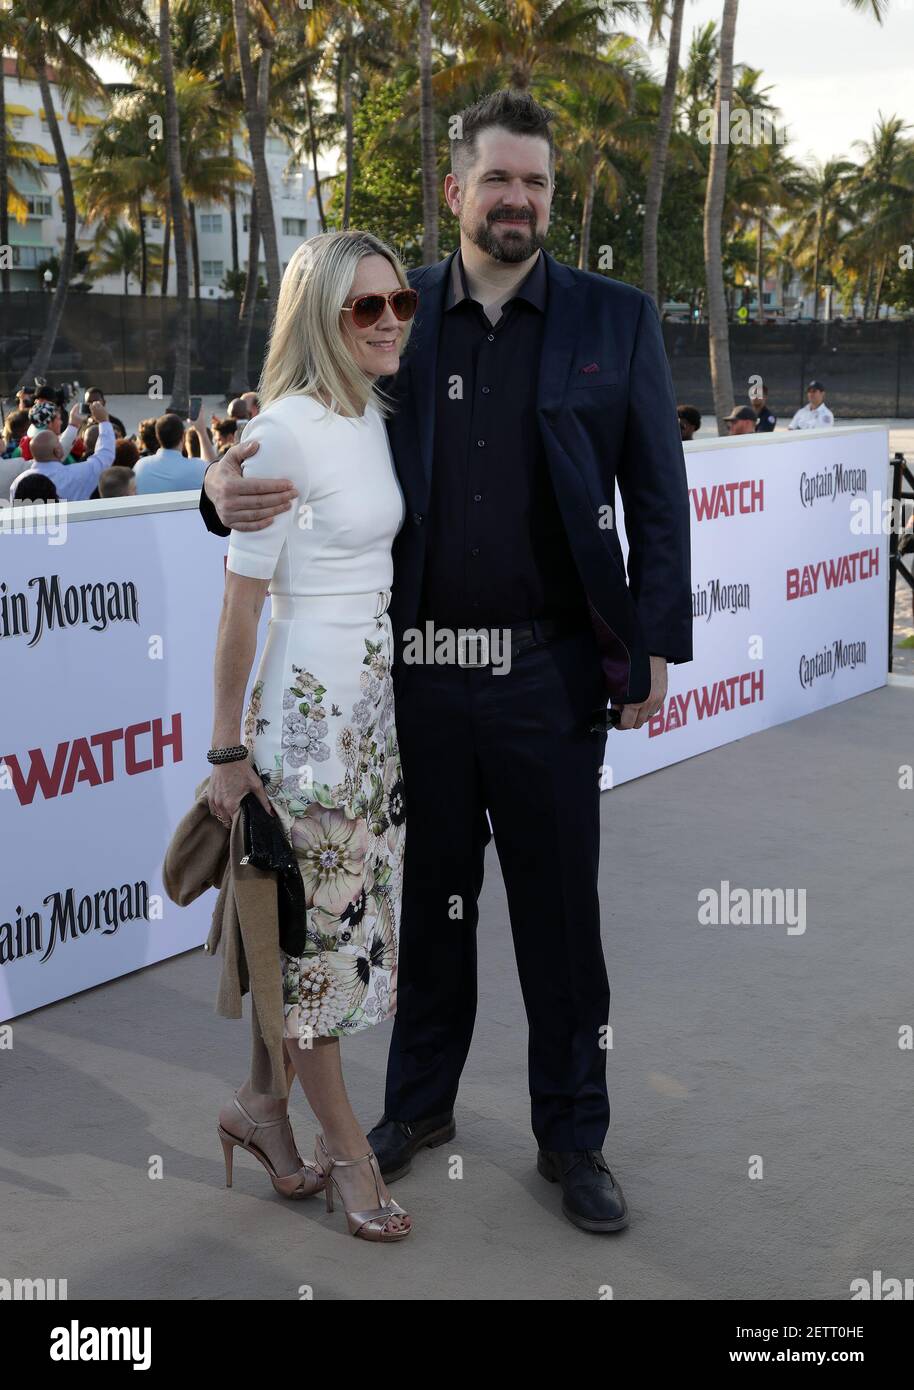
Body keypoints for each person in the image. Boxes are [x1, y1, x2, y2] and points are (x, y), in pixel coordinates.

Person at [201, 89, 693, 1236]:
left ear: (546, 196)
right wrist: (220, 492)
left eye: (535, 182)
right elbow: (284, 429)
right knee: (431, 911)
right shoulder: (388, 309)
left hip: (550, 672)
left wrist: (654, 644)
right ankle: (414, 1108)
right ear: (454, 189)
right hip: (411, 677)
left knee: (560, 917)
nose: (516, 199)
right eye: (496, 178)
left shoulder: (612, 319)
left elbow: (654, 489)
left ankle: (573, 1133)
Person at [203, 230, 416, 1242]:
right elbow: (240, 608)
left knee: (302, 937)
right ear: (318, 317)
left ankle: (256, 1105)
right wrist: (225, 750)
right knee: (324, 956)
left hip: (371, 729)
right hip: (305, 735)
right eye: (361, 308)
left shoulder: (375, 411)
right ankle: (349, 1156)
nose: (385, 322)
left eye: (396, 303)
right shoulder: (280, 434)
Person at [18, 402, 115, 501]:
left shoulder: (17, 482)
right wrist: (104, 421)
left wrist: (74, 424)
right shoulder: (74, 475)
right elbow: (105, 457)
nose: (61, 422)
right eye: (59, 418)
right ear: (58, 451)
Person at [133, 414, 208, 494]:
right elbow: (213, 472)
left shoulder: (140, 467)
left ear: (157, 436)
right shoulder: (199, 468)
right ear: (183, 437)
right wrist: (202, 432)